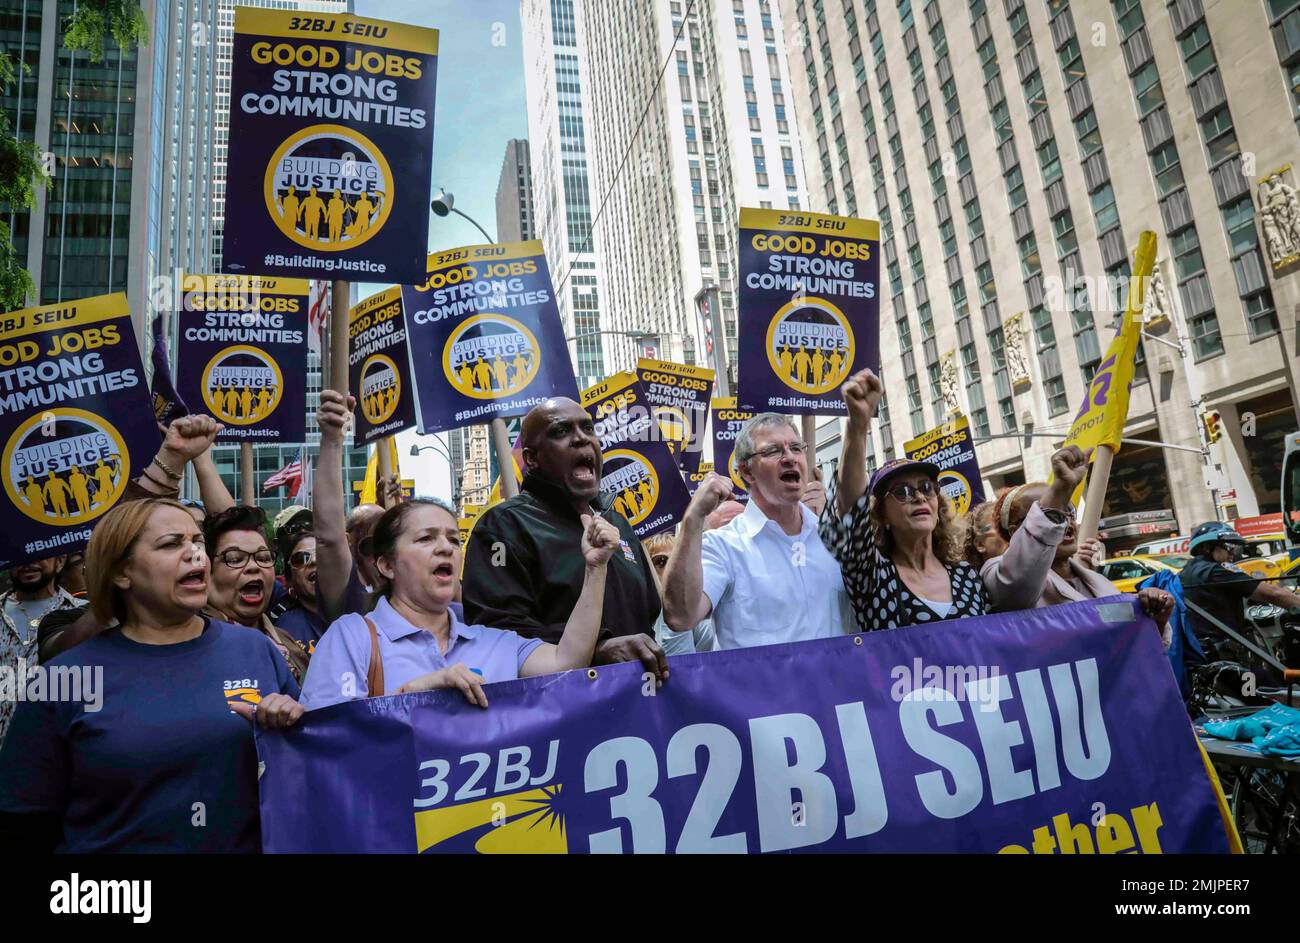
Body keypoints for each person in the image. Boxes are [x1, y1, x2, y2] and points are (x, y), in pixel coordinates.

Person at [0, 499, 302, 852]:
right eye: (172, 544)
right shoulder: (62, 679)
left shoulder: (255, 649)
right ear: (121, 572)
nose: (196, 555)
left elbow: (302, 776)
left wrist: (292, 725)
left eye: (198, 542)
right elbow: (23, 824)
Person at [300, 497, 623, 709]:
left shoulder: (494, 642)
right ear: (386, 565)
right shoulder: (351, 638)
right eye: (426, 538)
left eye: (454, 539)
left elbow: (568, 662)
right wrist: (417, 693)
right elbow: (330, 740)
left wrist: (596, 568)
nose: (446, 548)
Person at [461, 397, 667, 679]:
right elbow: (498, 634)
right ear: (532, 458)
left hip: (639, 697)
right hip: (563, 708)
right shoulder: (503, 526)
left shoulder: (617, 522)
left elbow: (651, 613)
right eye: (561, 431)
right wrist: (599, 649)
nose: (581, 439)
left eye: (588, 429)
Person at [662, 412, 854, 647]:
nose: (789, 458)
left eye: (796, 447)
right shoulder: (723, 547)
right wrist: (693, 519)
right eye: (773, 451)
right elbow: (680, 617)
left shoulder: (836, 538)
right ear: (747, 471)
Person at [819, 369, 988, 629]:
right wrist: (857, 426)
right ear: (882, 515)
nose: (919, 496)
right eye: (903, 492)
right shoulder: (873, 576)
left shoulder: (967, 575)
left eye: (926, 487)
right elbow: (851, 510)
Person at [982, 447, 1174, 640]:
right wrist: (1060, 489)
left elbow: (1127, 645)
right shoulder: (997, 573)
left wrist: (1155, 619)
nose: (1064, 520)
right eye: (1051, 512)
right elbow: (1017, 583)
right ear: (1016, 531)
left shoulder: (1099, 582)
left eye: (1068, 509)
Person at [203, 506, 310, 682]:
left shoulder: (287, 643)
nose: (254, 567)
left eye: (264, 558)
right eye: (235, 559)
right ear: (207, 571)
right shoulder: (193, 640)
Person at [313, 390, 386, 624]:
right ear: (350, 543)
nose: (382, 554)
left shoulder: (449, 612)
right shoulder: (354, 605)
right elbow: (329, 539)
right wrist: (332, 442)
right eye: (371, 544)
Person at [1178, 520, 1300, 658]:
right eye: (1228, 547)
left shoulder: (1187, 571)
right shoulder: (1216, 570)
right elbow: (1273, 594)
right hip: (1222, 653)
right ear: (1207, 547)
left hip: (1200, 652)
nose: (1232, 553)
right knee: (1269, 678)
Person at [0, 555, 83, 747]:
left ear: (60, 561)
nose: (28, 562)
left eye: (38, 555)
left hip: (59, 759)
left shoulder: (83, 618)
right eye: (20, 554)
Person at [644, 532, 715, 655]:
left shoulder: (702, 615)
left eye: (678, 561)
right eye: (661, 562)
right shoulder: (637, 615)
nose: (673, 569)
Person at [274, 528, 326, 652]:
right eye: (301, 559)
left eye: (322, 554)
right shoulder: (286, 631)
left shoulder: (361, 611)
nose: (313, 561)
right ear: (290, 582)